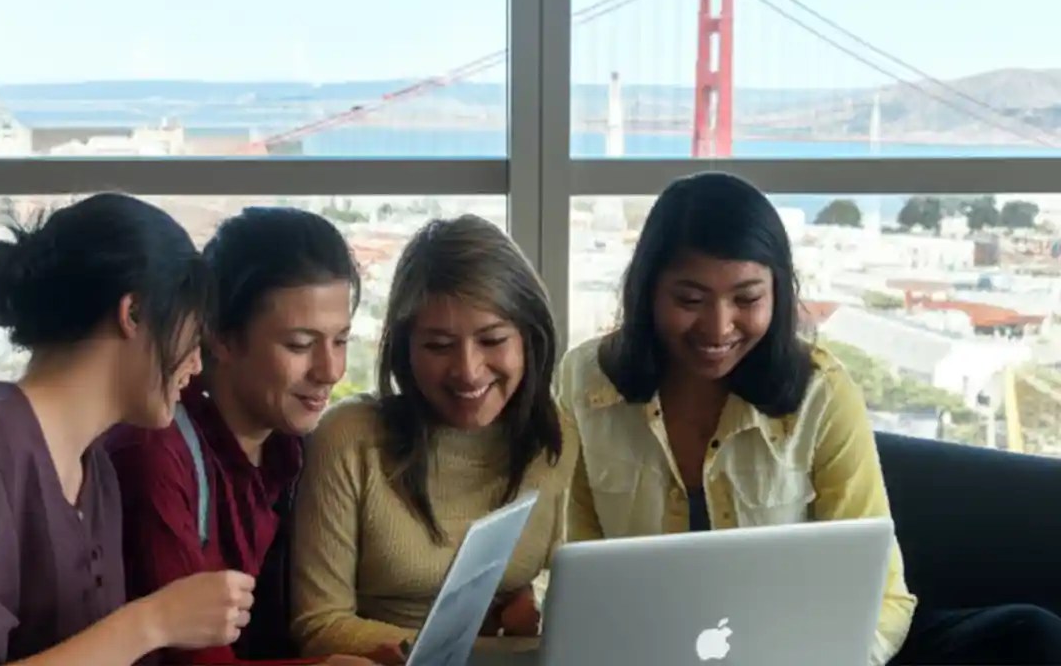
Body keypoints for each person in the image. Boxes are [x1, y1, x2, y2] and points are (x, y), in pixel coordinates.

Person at [558, 171, 1061, 666]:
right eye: (689, 300)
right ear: (647, 292)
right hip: (650, 653)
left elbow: (884, 598)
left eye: (747, 299)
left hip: (811, 655)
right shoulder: (587, 382)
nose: (718, 326)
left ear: (777, 294)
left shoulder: (821, 391)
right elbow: (573, 567)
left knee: (1030, 634)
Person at [0, 193, 258, 665]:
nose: (195, 365)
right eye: (190, 336)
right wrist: (153, 623)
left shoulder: (92, 468)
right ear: (133, 313)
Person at [290, 214, 578, 665]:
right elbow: (320, 624)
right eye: (439, 346)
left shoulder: (554, 435)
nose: (468, 370)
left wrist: (533, 602)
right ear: (405, 349)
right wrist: (456, 650)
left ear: (529, 338)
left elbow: (557, 579)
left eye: (492, 340)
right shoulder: (349, 438)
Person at [107, 206, 372, 666]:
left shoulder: (287, 452)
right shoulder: (157, 454)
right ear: (222, 338)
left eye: (341, 340)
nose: (331, 371)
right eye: (300, 345)